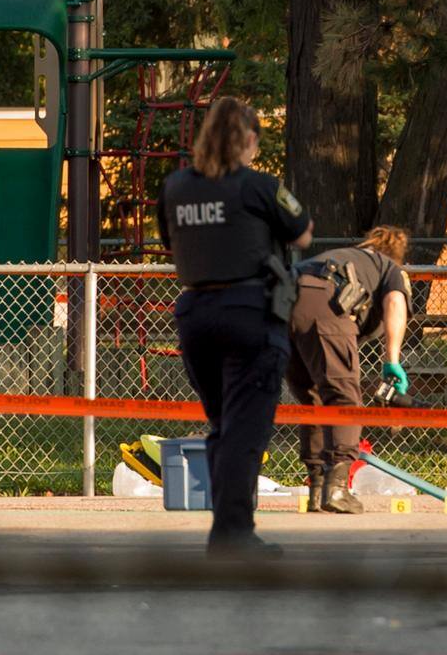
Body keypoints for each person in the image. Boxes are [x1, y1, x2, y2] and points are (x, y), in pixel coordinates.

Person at [158, 97, 313, 558]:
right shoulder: (260, 186)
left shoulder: (176, 187)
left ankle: (226, 531)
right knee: (245, 431)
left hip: (196, 316)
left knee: (224, 427)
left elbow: (171, 242)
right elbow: (303, 233)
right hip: (250, 312)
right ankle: (233, 535)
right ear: (248, 140)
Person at [288, 225, 412, 514]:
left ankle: (317, 491)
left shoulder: (341, 257)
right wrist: (392, 360)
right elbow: (395, 301)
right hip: (324, 301)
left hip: (281, 302)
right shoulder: (388, 267)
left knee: (314, 400)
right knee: (344, 399)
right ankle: (337, 491)